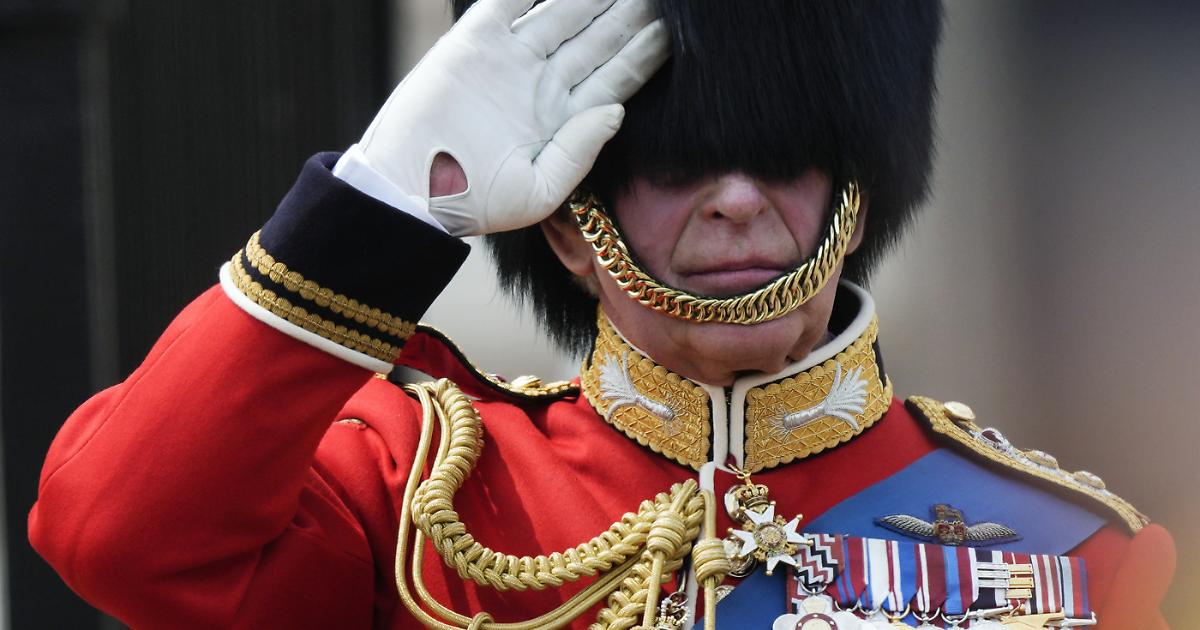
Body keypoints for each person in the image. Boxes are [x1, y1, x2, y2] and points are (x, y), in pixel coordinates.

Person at [29, 1, 1175, 628]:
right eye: (676, 168)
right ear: (572, 229)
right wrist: (381, 203)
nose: (735, 199)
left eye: (782, 159)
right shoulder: (419, 496)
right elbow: (117, 537)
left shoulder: (1068, 551)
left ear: (856, 192)